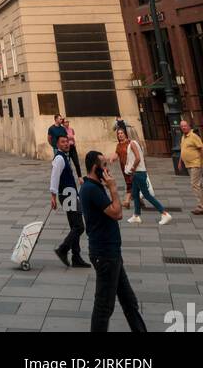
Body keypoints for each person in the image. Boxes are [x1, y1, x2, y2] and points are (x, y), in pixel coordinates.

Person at [80, 150, 146, 333]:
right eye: (104, 165)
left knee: (129, 302)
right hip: (105, 255)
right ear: (95, 168)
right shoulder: (92, 189)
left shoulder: (92, 185)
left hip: (111, 253)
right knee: (104, 307)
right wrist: (113, 189)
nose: (107, 169)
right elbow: (117, 213)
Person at [50, 133, 88, 268]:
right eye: (63, 142)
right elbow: (54, 177)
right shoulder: (59, 158)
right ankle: (63, 249)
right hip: (67, 194)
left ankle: (76, 257)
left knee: (74, 226)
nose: (66, 144)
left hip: (70, 193)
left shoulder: (64, 157)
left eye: (67, 141)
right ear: (57, 144)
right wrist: (53, 196)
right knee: (79, 226)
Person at [123, 134, 171, 226]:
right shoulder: (137, 143)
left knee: (146, 195)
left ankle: (164, 213)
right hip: (139, 172)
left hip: (138, 173)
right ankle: (136, 215)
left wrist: (132, 169)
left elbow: (137, 158)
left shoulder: (132, 143)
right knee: (135, 194)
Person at [178, 118, 203, 214]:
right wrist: (180, 162)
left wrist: (201, 161)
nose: (183, 127)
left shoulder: (193, 136)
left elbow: (201, 148)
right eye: (182, 126)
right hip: (188, 164)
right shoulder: (183, 137)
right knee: (198, 185)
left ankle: (201, 207)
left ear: (189, 126)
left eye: (185, 126)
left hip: (196, 163)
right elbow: (182, 150)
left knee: (194, 184)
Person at [113, 126, 134, 208]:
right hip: (123, 167)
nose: (120, 135)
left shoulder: (130, 143)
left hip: (131, 167)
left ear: (125, 134)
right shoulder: (118, 145)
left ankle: (127, 201)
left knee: (130, 183)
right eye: (118, 134)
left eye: (121, 133)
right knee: (130, 183)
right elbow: (116, 154)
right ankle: (139, 200)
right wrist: (111, 159)